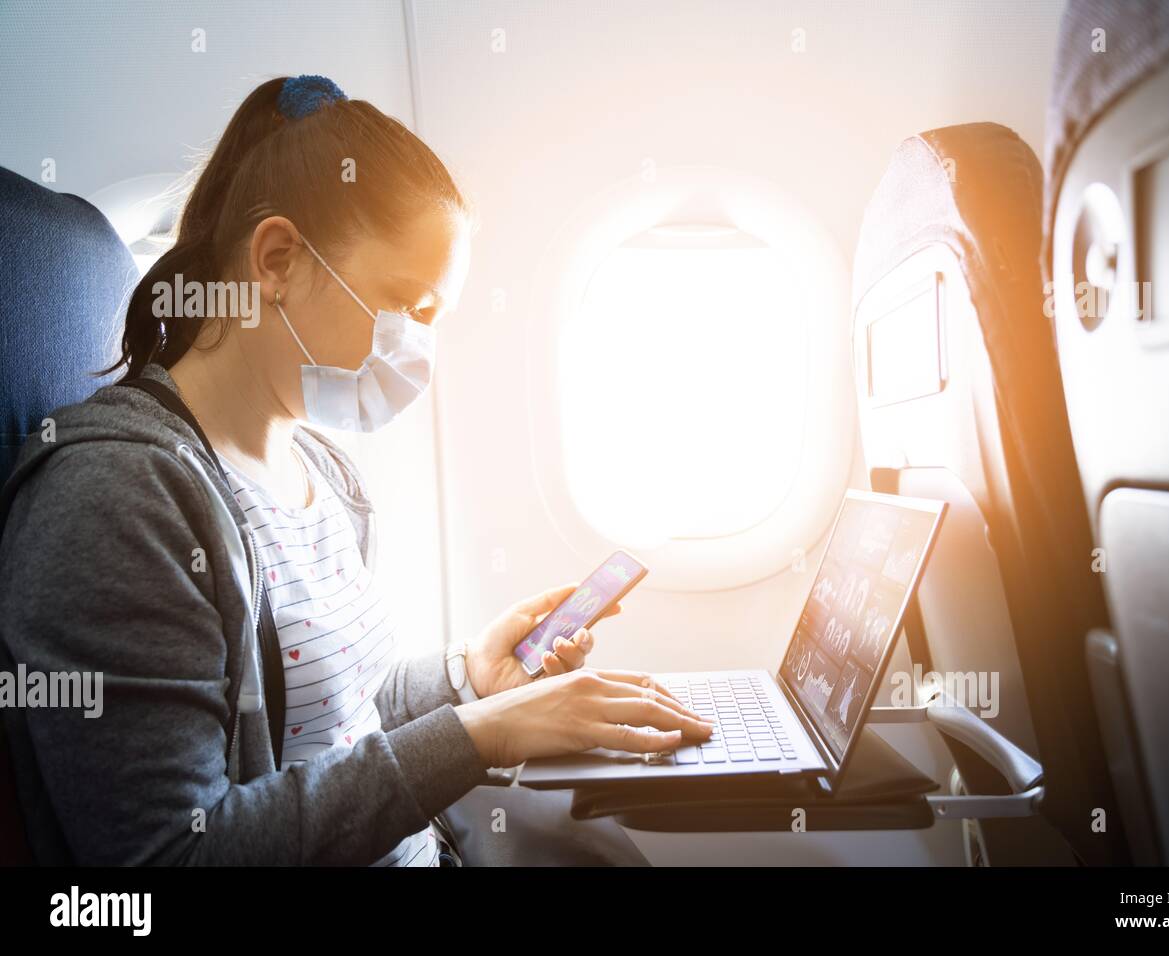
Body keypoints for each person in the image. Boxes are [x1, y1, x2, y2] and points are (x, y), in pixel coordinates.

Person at [0, 75, 712, 866]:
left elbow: (340, 724)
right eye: (408, 304)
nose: (420, 349)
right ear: (277, 260)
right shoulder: (120, 499)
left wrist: (467, 679)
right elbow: (174, 855)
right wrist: (480, 737)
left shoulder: (321, 472)